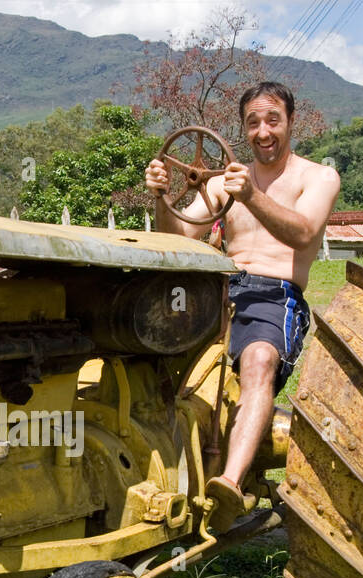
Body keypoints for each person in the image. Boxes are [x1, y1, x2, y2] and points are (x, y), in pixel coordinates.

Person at [145, 80, 340, 530]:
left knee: (258, 361)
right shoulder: (224, 181)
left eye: (273, 119)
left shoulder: (317, 177)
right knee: (150, 356)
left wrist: (250, 194)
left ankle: (229, 485)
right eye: (253, 122)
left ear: (291, 122)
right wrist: (161, 196)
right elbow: (178, 236)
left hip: (274, 295)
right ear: (243, 129)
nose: (263, 130)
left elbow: (304, 233)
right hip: (218, 292)